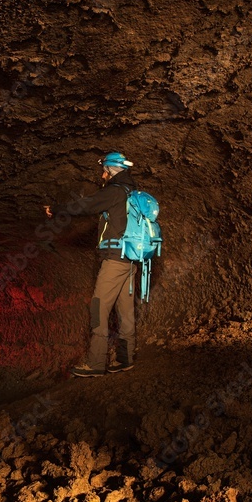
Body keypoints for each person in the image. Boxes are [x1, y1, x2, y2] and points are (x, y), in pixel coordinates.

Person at [60, 152, 139, 377]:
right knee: (125, 311)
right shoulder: (131, 192)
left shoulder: (114, 191)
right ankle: (125, 359)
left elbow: (86, 205)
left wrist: (56, 209)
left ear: (111, 169)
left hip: (114, 260)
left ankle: (95, 364)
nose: (102, 175)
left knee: (98, 308)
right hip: (130, 259)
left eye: (104, 171)